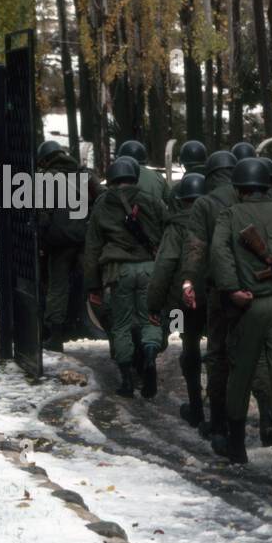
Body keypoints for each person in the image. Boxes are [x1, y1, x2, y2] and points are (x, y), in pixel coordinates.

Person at [212, 157, 272, 470]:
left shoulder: (230, 214)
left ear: (238, 188)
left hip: (247, 305)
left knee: (241, 374)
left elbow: (218, 251)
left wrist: (231, 288)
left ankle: (237, 447)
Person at [83, 156, 166, 398]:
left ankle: (127, 380)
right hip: (150, 269)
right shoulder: (152, 201)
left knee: (120, 326)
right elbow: (167, 234)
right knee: (151, 319)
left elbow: (92, 249)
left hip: (118, 272)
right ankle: (149, 357)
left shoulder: (102, 204)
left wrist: (93, 286)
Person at [183, 150, 240, 443]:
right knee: (253, 356)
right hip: (257, 288)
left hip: (220, 290)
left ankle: (219, 423)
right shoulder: (249, 194)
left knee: (217, 355)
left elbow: (195, 249)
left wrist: (189, 283)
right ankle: (270, 426)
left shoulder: (205, 204)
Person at [149, 172, 208, 426]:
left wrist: (154, 304)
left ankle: (196, 408)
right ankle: (221, 416)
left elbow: (165, 264)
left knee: (190, 350)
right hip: (216, 295)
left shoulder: (176, 226)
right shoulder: (219, 217)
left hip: (183, 299)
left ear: (181, 199)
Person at [36, 140, 98, 353]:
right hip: (83, 239)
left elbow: (43, 215)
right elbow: (102, 197)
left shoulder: (45, 179)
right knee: (93, 281)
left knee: (57, 287)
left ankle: (55, 336)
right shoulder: (82, 174)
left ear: (45, 160)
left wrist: (41, 242)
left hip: (59, 242)